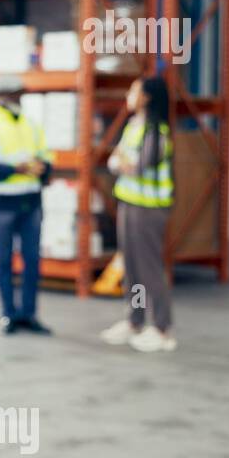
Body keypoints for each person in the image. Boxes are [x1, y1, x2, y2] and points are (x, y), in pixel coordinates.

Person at [0, 77, 54, 335]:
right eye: (14, 95)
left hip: (31, 202)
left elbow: (47, 157)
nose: (18, 100)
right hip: (0, 204)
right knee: (4, 261)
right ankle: (9, 315)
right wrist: (16, 168)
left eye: (20, 95)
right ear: (0, 97)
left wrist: (43, 168)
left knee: (32, 261)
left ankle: (29, 314)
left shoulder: (32, 125)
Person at [101, 76, 176, 352]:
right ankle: (135, 320)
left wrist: (122, 163)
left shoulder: (157, 132)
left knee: (150, 268)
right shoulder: (133, 126)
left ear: (147, 97)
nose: (129, 95)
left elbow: (138, 165)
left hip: (150, 208)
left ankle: (162, 329)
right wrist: (121, 163)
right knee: (131, 266)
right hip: (129, 203)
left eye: (134, 90)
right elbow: (114, 161)